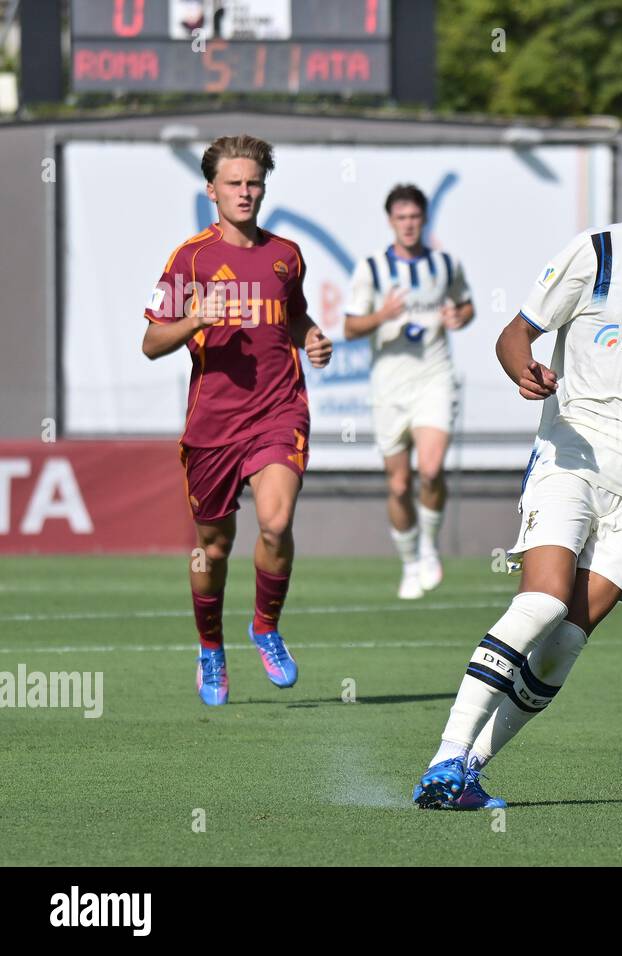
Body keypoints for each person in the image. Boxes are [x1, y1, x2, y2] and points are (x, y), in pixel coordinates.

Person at [411, 126, 622, 810]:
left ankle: (468, 770)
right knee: (539, 602)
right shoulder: (596, 254)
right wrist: (523, 372)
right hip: (572, 454)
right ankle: (444, 756)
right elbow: (516, 334)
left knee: (567, 637)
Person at [142, 134, 333, 706]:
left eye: (253, 182)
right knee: (212, 546)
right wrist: (194, 318)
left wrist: (313, 338)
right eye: (234, 183)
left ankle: (266, 628)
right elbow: (152, 342)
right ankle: (209, 646)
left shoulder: (287, 254)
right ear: (212, 190)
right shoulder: (190, 259)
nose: (245, 192)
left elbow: (295, 318)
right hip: (213, 425)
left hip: (279, 411)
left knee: (275, 523)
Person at [343, 185, 474, 598]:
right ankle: (410, 561)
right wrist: (381, 316)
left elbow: (465, 305)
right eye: (401, 218)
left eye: (415, 217)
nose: (409, 225)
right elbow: (349, 327)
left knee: (431, 470)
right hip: (389, 387)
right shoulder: (372, 269)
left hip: (434, 378)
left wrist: (459, 315)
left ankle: (430, 548)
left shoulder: (445, 264)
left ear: (424, 219)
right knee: (399, 485)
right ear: (390, 222)